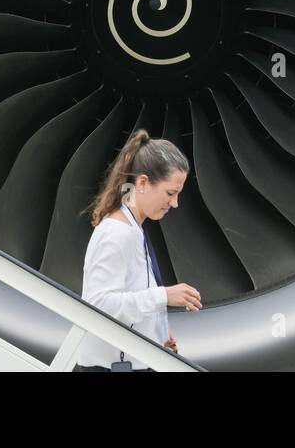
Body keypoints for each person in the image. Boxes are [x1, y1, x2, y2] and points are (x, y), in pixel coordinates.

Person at [73, 128, 201, 371]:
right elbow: (98, 306)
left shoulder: (132, 229)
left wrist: (156, 332)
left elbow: (128, 296)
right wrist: (164, 296)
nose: (175, 203)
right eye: (171, 193)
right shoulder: (116, 234)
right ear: (142, 182)